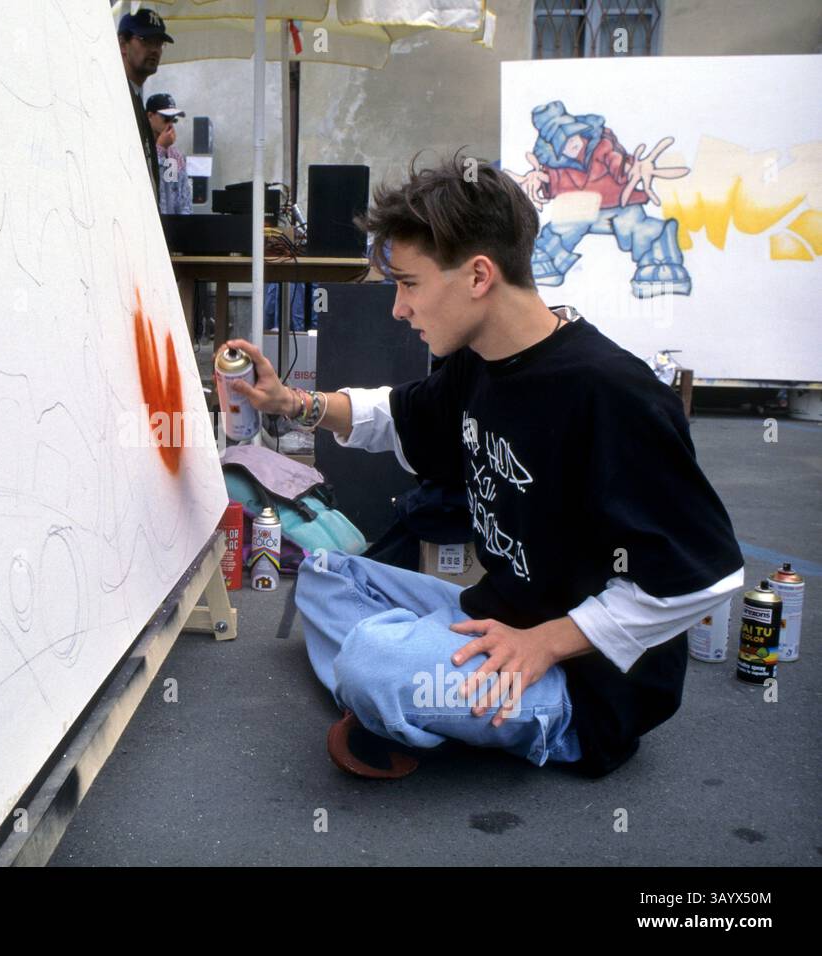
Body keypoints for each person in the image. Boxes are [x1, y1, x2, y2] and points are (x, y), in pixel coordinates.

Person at [218, 155, 744, 779]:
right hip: (489, 614)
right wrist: (293, 405)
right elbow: (398, 416)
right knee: (324, 576)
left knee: (371, 662)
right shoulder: (479, 361)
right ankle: (419, 692)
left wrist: (543, 642)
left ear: (477, 276)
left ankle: (412, 690)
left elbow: (704, 576)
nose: (398, 309)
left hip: (580, 685)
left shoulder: (613, 395)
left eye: (409, 285)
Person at [117, 8, 172, 199]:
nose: (155, 49)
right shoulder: (117, 97)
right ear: (122, 44)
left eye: (159, 43)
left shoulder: (136, 98)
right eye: (146, 40)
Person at [145, 93, 192, 214]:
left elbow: (181, 197)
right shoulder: (139, 147)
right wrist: (160, 148)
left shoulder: (175, 155)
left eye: (173, 120)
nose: (170, 124)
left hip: (172, 225)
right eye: (166, 119)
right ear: (150, 116)